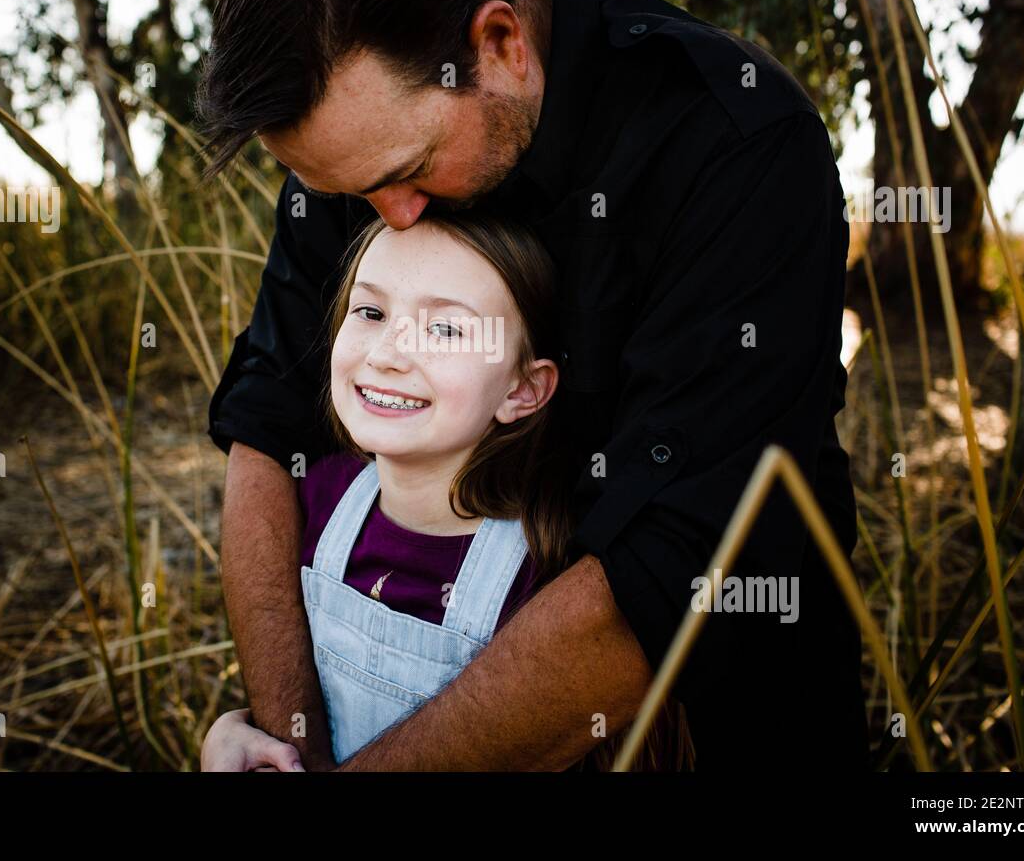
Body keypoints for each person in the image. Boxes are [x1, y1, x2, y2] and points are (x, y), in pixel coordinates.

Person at [200, 0, 868, 771]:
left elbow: (672, 572)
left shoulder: (737, 148)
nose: (391, 219)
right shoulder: (363, 141)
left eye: (405, 174)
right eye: (348, 194)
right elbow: (269, 422)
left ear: (502, 43)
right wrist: (293, 745)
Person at [201, 213, 689, 771]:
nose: (388, 353)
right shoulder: (311, 504)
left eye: (447, 330)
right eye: (371, 312)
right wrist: (232, 738)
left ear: (523, 389)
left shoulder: (544, 576)